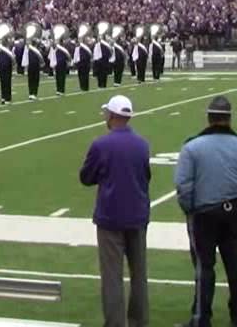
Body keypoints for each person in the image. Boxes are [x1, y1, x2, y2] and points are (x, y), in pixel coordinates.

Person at [174, 96, 237, 327]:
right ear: (229, 118)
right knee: (235, 263)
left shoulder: (192, 147)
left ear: (209, 118)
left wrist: (190, 209)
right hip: (233, 212)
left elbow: (183, 185)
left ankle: (201, 318)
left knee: (204, 267)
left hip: (202, 214)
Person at [79, 95, 150, 327]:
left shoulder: (101, 144)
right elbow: (146, 176)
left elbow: (86, 177)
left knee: (112, 276)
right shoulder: (142, 144)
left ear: (111, 115)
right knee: (139, 273)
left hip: (110, 216)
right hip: (137, 214)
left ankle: (115, 323)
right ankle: (139, 320)